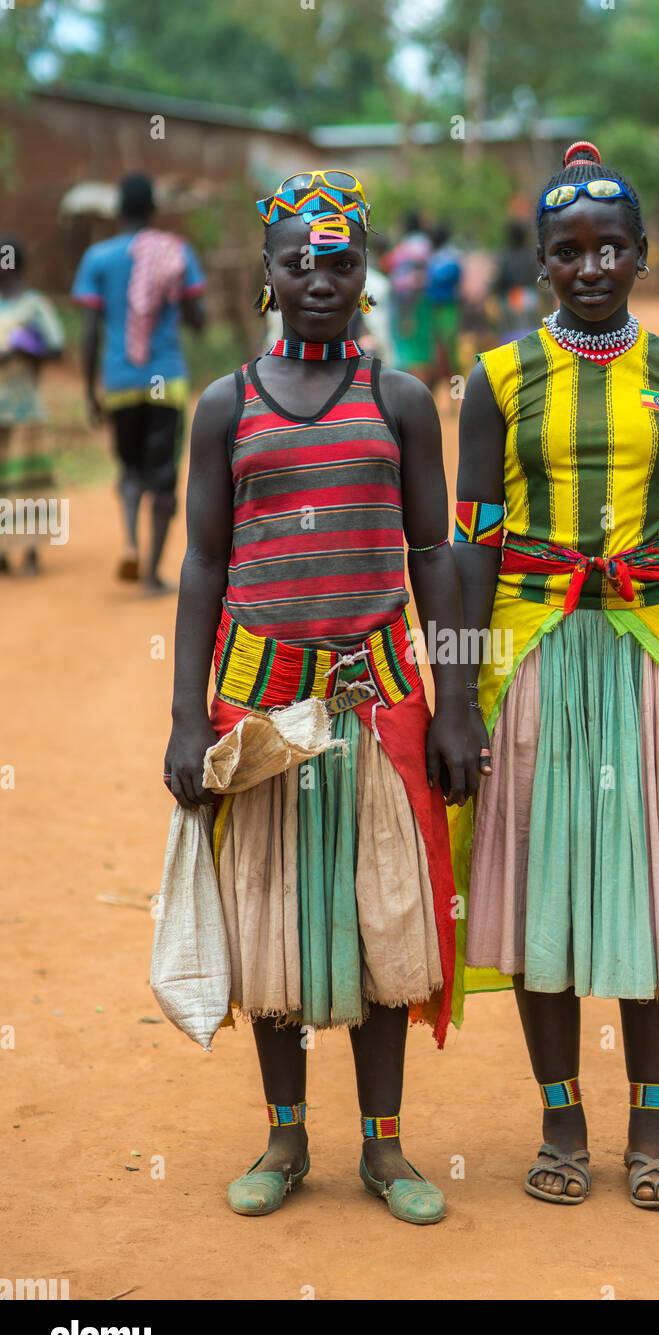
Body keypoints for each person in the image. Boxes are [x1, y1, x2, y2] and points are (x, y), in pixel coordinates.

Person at [451, 141, 659, 1211]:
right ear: (541, 262)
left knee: (650, 894)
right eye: (567, 251)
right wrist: (455, 693)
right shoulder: (498, 381)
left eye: (609, 248)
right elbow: (467, 544)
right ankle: (560, 1117)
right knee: (542, 880)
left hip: (650, 652)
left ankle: (649, 1126)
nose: (589, 267)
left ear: (642, 254)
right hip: (531, 653)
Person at [163, 169, 481, 1223]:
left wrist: (457, 701)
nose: (318, 279)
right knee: (275, 927)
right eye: (299, 261)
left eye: (339, 262)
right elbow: (203, 566)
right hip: (262, 713)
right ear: (266, 275)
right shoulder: (226, 406)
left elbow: (432, 551)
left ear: (365, 277)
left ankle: (385, 1149)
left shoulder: (395, 401)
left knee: (381, 921)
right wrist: (181, 718)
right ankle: (286, 1135)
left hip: (376, 701)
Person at [71, 172, 206, 591]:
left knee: (130, 469)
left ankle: (130, 542)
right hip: (165, 380)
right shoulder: (175, 252)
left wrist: (89, 389)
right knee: (163, 475)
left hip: (121, 380)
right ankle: (150, 574)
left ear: (117, 211)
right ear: (153, 210)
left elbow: (90, 332)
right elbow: (198, 320)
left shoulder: (97, 258)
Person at [0, 235, 65, 575]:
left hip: (25, 409)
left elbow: (56, 347)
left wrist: (26, 350)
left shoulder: (34, 305)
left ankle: (29, 551)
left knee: (27, 482)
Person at [382, 212, 433, 380]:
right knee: (413, 347)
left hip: (410, 300)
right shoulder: (422, 243)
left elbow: (389, 263)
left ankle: (413, 383)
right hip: (413, 299)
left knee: (411, 347)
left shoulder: (410, 244)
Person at [426, 222, 463, 394]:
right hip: (439, 308)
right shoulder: (438, 257)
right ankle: (448, 397)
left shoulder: (444, 258)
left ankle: (457, 395)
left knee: (449, 352)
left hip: (446, 308)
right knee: (441, 353)